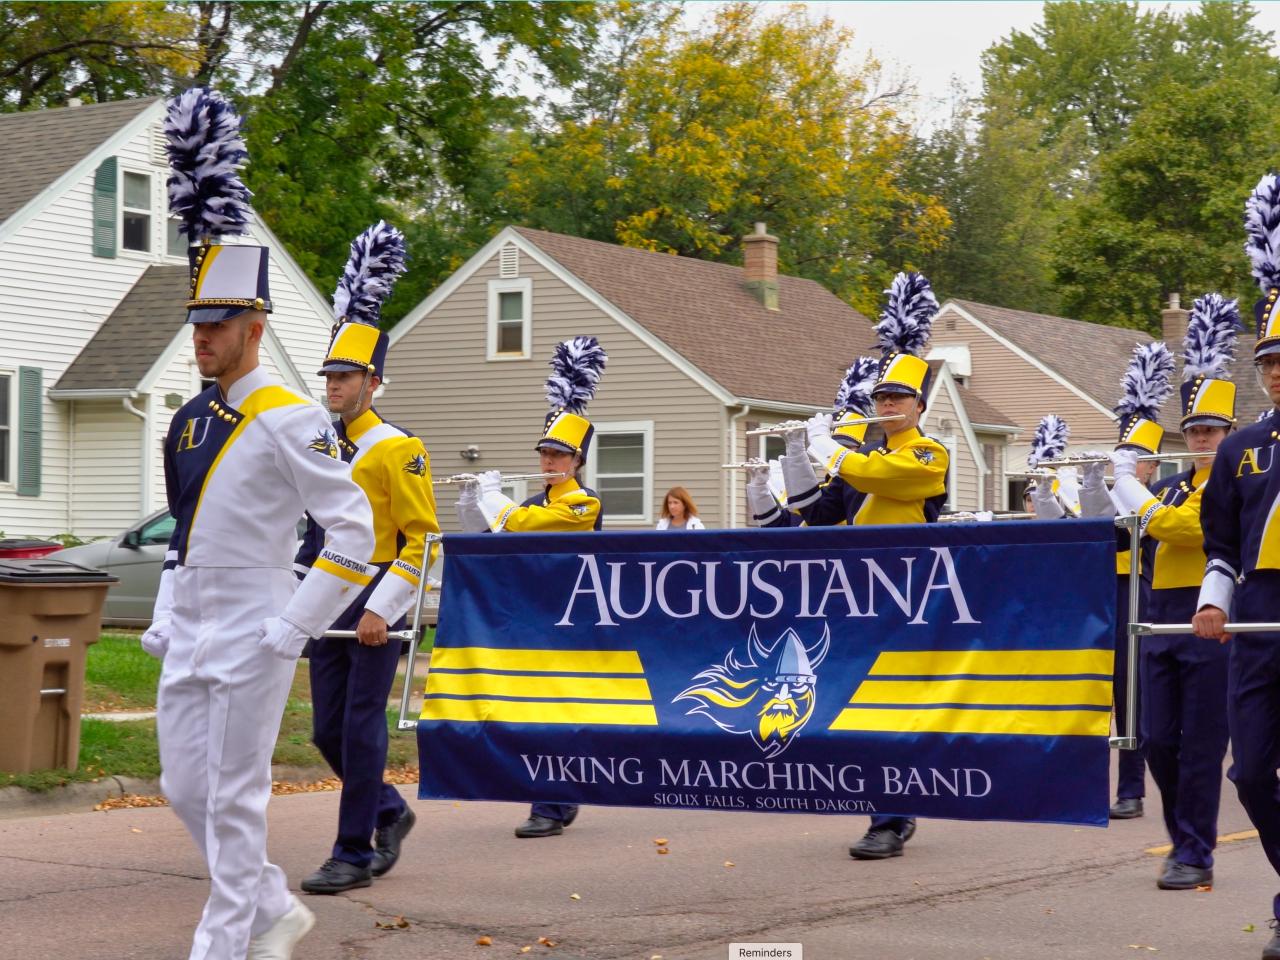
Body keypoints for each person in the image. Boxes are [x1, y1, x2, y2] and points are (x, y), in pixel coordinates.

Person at [143, 88, 375, 960]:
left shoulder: (290, 416)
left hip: (256, 617)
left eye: (218, 323)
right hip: (193, 620)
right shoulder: (189, 419)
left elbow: (354, 530)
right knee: (183, 787)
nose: (201, 337)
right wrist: (166, 608)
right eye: (196, 322)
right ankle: (272, 907)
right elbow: (186, 529)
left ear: (255, 325)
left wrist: (295, 623)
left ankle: (225, 942)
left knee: (235, 795)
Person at [293, 223, 440, 895]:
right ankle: (388, 811)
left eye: (345, 375)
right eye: (329, 374)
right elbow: (311, 528)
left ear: (372, 382)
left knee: (358, 726)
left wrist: (384, 607)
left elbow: (423, 539)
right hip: (325, 589)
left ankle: (352, 852)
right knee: (327, 730)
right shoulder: (320, 444)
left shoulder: (396, 447)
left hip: (375, 594)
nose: (333, 384)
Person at [801, 272, 949, 860]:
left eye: (898, 399)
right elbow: (817, 517)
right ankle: (885, 807)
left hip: (906, 589)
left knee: (895, 702)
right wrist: (795, 464)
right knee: (857, 702)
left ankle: (891, 817)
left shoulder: (928, 452)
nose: (887, 405)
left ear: (919, 405)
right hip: (855, 589)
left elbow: (884, 476)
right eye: (882, 398)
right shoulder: (860, 456)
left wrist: (832, 451)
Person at [456, 335, 608, 839]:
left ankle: (550, 802)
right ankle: (559, 796)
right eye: (544, 454)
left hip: (571, 617)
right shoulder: (531, 501)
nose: (548, 462)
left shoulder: (583, 502)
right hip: (532, 614)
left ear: (577, 461)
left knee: (555, 709)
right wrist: (471, 504)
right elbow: (492, 541)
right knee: (535, 708)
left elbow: (521, 526)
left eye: (558, 456)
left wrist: (494, 498)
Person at [1111, 295, 1239, 889]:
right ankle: (1183, 835)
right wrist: (1109, 490)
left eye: (1211, 429)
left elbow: (1187, 528)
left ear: (1229, 433)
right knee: (1158, 739)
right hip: (1160, 616)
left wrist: (1132, 494)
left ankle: (1194, 850)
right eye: (1193, 430)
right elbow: (1133, 536)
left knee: (1202, 746)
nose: (1201, 438)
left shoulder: (1229, 482)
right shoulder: (1166, 486)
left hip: (1208, 615)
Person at [1193, 172, 1280, 960]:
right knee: (1250, 772)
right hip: (1257, 624)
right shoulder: (1241, 448)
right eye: (1268, 360)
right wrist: (1213, 601)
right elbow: (1220, 541)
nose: (1277, 370)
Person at [1077, 342, 1174, 821]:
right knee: (1088, 688)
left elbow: (1137, 536)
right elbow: (1091, 532)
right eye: (1124, 457)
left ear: (1152, 465)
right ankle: (1083, 783)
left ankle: (1131, 789)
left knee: (1128, 692)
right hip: (1097, 592)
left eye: (1136, 459)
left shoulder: (1163, 494)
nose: (1128, 466)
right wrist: (1093, 487)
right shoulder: (1117, 493)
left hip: (1138, 592)